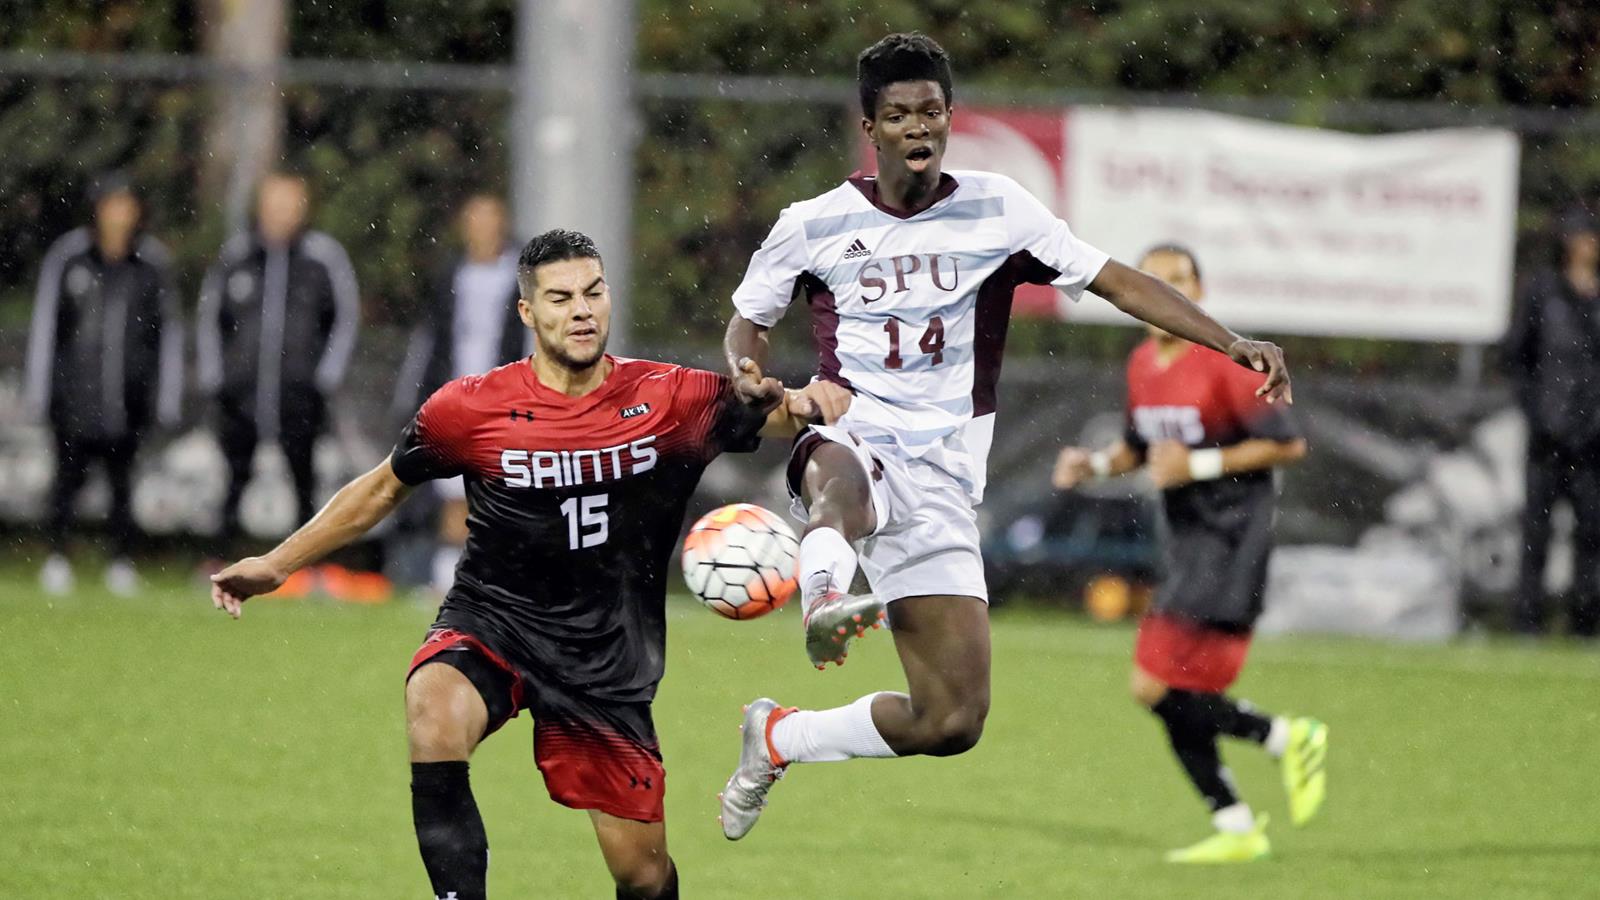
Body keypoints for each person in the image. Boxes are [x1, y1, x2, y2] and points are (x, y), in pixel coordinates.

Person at [716, 32, 1291, 842]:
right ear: (870, 127)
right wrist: (749, 375)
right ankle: (824, 603)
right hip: (855, 429)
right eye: (899, 114)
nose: (919, 127)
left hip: (945, 475)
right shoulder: (815, 224)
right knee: (838, 483)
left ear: (950, 117)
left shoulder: (999, 208)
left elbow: (1115, 280)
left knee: (952, 720)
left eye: (932, 111)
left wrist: (1229, 340)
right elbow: (749, 324)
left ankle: (780, 737)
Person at [208, 229, 826, 899]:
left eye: (593, 292)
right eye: (560, 298)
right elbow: (383, 487)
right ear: (528, 314)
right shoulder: (468, 409)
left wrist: (814, 401)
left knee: (642, 874)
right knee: (433, 706)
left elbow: (780, 417)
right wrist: (276, 564)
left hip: (606, 657)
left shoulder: (672, 399)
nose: (582, 311)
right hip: (494, 620)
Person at [1051, 244, 1324, 863]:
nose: (1165, 291)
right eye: (1156, 280)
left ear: (1198, 291)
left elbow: (1288, 445)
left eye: (1179, 280)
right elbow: (1136, 449)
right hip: (1189, 542)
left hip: (1232, 542)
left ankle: (1284, 738)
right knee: (1172, 694)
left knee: (1151, 684)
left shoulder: (1226, 362)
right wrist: (1091, 464)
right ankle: (1235, 824)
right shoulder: (1144, 364)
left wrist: (1199, 462)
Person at [25, 172, 182, 596]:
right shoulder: (69, 257)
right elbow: (47, 329)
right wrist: (42, 392)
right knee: (66, 482)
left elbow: (165, 335)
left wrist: (162, 396)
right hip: (74, 397)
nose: (118, 215)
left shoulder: (151, 264)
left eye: (126, 205)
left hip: (128, 400)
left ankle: (121, 561)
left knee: (123, 484)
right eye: (111, 205)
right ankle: (58, 557)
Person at [196, 171, 360, 541]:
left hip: (300, 394)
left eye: (289, 204)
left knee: (304, 481)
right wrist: (218, 378)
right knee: (234, 478)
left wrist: (323, 378)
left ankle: (305, 565)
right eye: (274, 204)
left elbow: (345, 320)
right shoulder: (236, 257)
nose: (281, 213)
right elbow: (210, 318)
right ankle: (222, 560)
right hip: (241, 394)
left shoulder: (323, 258)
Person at [391, 193, 526, 592]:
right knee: (453, 487)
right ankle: (449, 578)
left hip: (503, 398)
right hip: (457, 395)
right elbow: (431, 339)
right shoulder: (451, 275)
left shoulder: (521, 277)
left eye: (489, 220)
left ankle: (502, 578)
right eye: (475, 220)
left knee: (502, 487)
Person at [1502, 205, 1600, 638]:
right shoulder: (1542, 291)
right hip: (1548, 435)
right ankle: (1528, 622)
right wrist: (1538, 411)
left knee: (1591, 534)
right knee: (1536, 532)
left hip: (1593, 437)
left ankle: (1584, 623)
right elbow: (1517, 357)